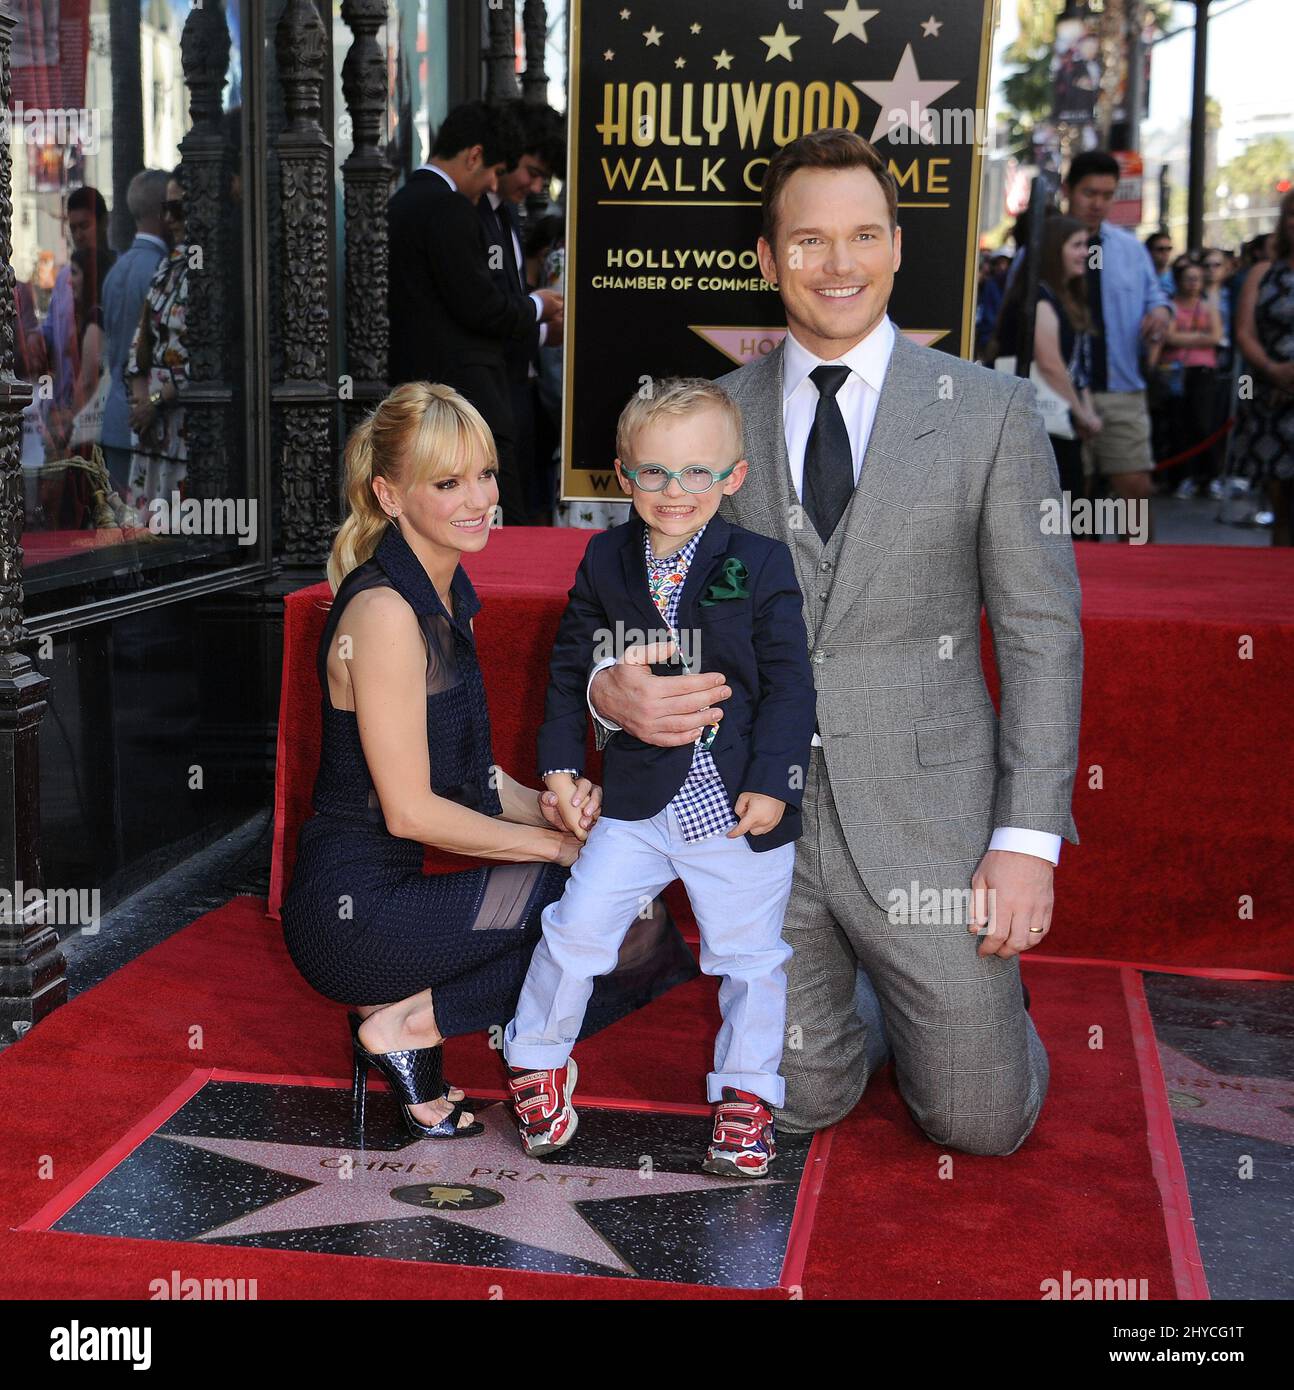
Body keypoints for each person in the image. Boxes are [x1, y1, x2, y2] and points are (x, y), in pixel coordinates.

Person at [589, 129, 1083, 1154]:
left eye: (863, 235)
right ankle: (870, 998)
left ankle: (966, 1013)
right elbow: (623, 607)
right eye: (808, 241)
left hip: (929, 823)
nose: (839, 263)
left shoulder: (989, 415)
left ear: (898, 247)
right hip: (761, 824)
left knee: (981, 1125)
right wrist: (610, 692)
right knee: (802, 1102)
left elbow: (1041, 634)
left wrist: (1024, 842)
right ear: (767, 262)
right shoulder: (703, 419)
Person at [280, 382, 690, 1139]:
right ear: (388, 494)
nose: (479, 499)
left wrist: (555, 804)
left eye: (486, 474)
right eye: (448, 482)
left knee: (629, 899)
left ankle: (409, 1020)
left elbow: (471, 779)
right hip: (351, 920)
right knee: (620, 907)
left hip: (395, 904)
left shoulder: (444, 593)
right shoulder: (384, 613)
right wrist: (560, 847)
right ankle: (411, 1025)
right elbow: (410, 810)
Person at [501, 379, 817, 1177]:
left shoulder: (759, 561)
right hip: (636, 804)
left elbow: (789, 682)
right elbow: (571, 665)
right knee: (574, 930)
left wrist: (777, 782)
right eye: (653, 474)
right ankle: (536, 1060)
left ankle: (746, 1102)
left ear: (734, 477)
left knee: (749, 959)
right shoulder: (604, 556)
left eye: (696, 474)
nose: (674, 492)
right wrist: (562, 765)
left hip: (737, 807)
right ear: (620, 474)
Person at [387, 101, 563, 527]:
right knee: (498, 517)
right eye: (491, 172)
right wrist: (540, 305)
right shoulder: (449, 208)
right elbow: (479, 305)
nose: (489, 186)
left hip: (428, 391)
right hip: (469, 392)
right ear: (474, 156)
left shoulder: (404, 202)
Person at [1063, 149, 1171, 540]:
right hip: (1061, 395)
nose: (1098, 204)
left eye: (1107, 195)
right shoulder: (1043, 247)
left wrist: (1161, 315)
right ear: (1068, 190)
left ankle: (1147, 590)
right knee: (1073, 506)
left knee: (1135, 497)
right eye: (1089, 193)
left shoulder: (1129, 248)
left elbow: (1156, 299)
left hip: (1121, 388)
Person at [478, 100, 566, 523]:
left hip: (520, 394)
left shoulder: (508, 214)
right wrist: (539, 306)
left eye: (544, 180)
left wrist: (545, 326)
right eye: (531, 172)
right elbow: (486, 312)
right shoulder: (471, 213)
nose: (535, 187)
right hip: (489, 401)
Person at [991, 214, 1101, 525]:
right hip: (1046, 425)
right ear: (1055, 250)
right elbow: (1051, 365)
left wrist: (1085, 411)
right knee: (1059, 517)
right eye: (1077, 245)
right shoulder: (1040, 299)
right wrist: (1084, 414)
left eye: (1086, 246)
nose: (1085, 253)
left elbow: (1076, 366)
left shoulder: (1066, 298)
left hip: (1062, 422)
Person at [99, 171, 171, 496]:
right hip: (149, 421)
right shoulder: (162, 270)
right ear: (161, 212)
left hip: (114, 418)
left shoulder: (115, 272)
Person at [124, 176, 190, 516]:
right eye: (166, 209)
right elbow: (142, 337)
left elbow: (208, 359)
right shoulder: (167, 266)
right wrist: (141, 404)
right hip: (153, 427)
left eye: (177, 209)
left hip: (182, 426)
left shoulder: (205, 269)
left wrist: (153, 402)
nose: (169, 220)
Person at [1232, 189, 1294, 544]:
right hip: (1271, 399)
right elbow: (1244, 331)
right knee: (1280, 505)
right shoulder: (1262, 273)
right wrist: (1272, 369)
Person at [1155, 259, 1223, 498]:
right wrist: (1198, 337)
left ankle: (1209, 476)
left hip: (1203, 370)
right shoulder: (1170, 306)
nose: (1193, 283)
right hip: (1175, 370)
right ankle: (1182, 476)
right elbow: (1169, 337)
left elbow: (1215, 336)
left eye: (1197, 278)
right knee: (1178, 423)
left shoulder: (1207, 307)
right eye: (1188, 278)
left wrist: (1185, 337)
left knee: (1203, 422)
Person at [1145, 230, 1175, 295]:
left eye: (1169, 248)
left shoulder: (1176, 278)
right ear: (1149, 251)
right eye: (1160, 249)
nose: (1165, 253)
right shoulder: (1143, 277)